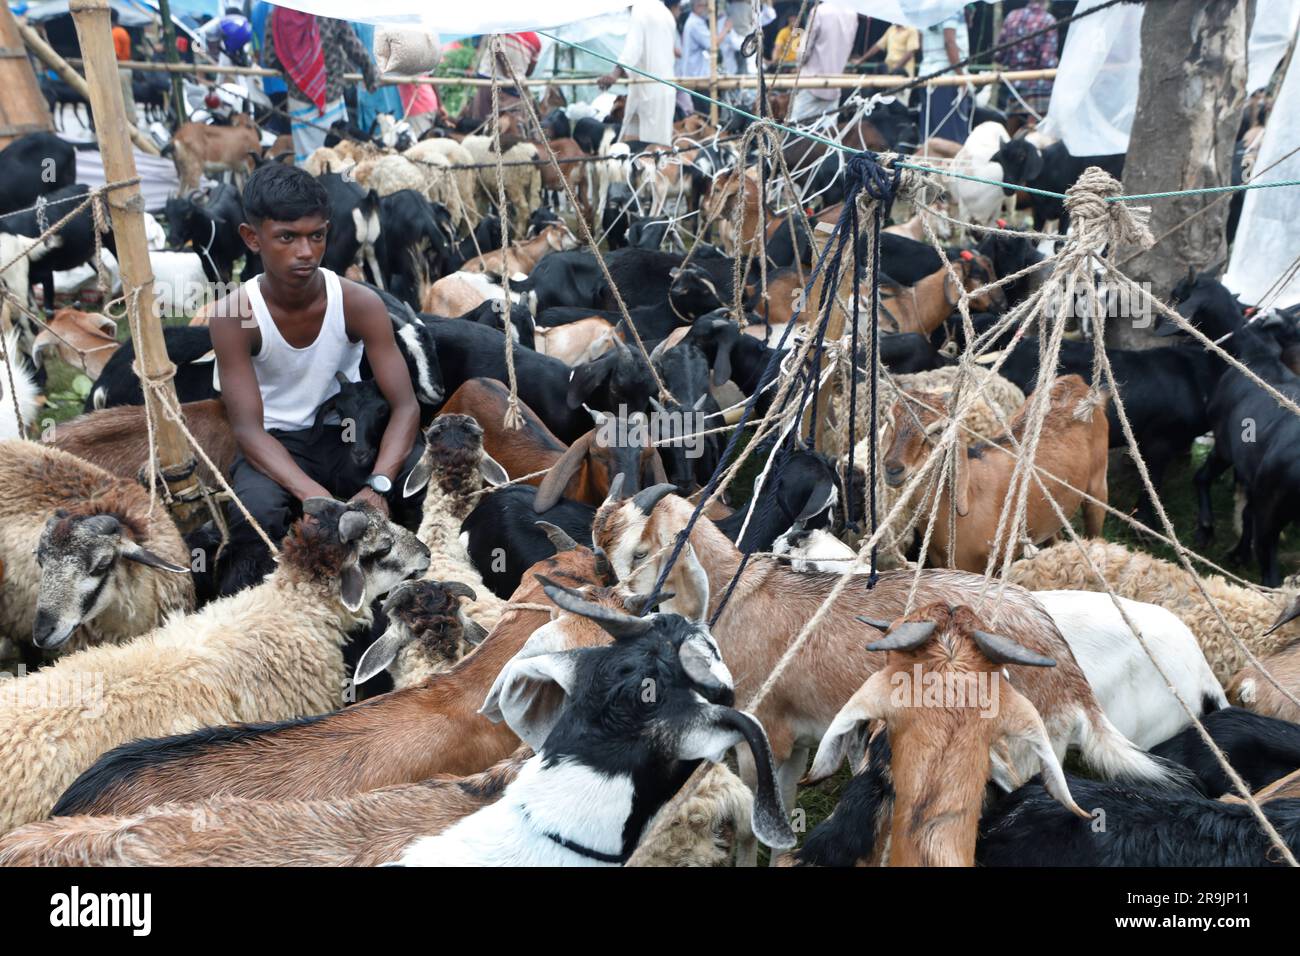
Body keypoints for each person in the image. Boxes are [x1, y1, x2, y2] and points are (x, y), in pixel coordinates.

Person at [206, 164, 421, 597]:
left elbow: (405, 407)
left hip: (343, 435)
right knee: (257, 512)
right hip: (274, 444)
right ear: (253, 238)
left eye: (316, 236)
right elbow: (247, 428)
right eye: (287, 237)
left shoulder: (359, 302)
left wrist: (378, 484)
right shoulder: (234, 314)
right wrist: (316, 498)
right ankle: (260, 617)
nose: (306, 251)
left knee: (418, 472)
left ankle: (412, 592)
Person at [263, 10, 378, 163]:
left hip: (299, 99)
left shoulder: (278, 15)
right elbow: (352, 45)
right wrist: (369, 72)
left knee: (308, 159)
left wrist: (295, 72)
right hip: (332, 97)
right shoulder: (326, 9)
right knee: (339, 155)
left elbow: (270, 58)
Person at [598, 0, 681, 147]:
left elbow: (632, 49)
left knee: (643, 150)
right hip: (663, 90)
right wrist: (626, 73)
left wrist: (614, 75)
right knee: (658, 146)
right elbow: (654, 56)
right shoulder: (666, 13)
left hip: (648, 92)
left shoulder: (641, 9)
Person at [789, 0, 859, 124]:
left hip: (811, 83)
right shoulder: (852, 14)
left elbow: (802, 53)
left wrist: (798, 60)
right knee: (828, 136)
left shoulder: (819, 11)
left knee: (794, 132)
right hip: (834, 85)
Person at [996, 0, 1058, 121]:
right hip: (1039, 89)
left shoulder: (1011, 17)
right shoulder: (1048, 20)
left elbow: (999, 55)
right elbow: (1047, 62)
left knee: (1010, 132)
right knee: (1041, 132)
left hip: (1013, 86)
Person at [917, 9, 972, 143]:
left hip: (927, 75)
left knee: (930, 136)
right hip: (948, 77)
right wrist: (962, 78)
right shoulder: (952, 7)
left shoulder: (926, 10)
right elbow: (949, 42)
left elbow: (920, 41)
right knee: (951, 138)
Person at [467, 32, 541, 123]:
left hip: (491, 80)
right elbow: (529, 71)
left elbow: (496, 45)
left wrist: (507, 69)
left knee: (479, 123)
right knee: (516, 123)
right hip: (511, 86)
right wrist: (508, 69)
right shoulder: (536, 41)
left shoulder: (504, 25)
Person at [854, 22, 920, 77]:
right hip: (889, 71)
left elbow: (910, 52)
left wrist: (896, 68)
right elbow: (877, 46)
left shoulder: (912, 30)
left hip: (904, 72)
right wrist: (861, 60)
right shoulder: (891, 29)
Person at [110, 9, 137, 125]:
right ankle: (129, 121)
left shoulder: (115, 33)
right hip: (125, 68)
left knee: (124, 97)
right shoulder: (122, 31)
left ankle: (130, 122)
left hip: (120, 68)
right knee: (126, 96)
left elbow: (114, 54)